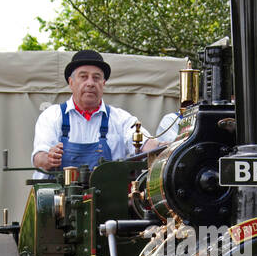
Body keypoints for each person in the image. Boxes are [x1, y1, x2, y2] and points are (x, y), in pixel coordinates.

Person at [32, 50, 165, 175]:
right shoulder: (52, 116)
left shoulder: (121, 119)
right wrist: (48, 158)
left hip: (108, 198)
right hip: (59, 197)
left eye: (96, 78)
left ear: (103, 83)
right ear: (71, 82)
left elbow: (147, 145)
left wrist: (163, 147)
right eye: (83, 77)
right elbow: (38, 158)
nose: (90, 83)